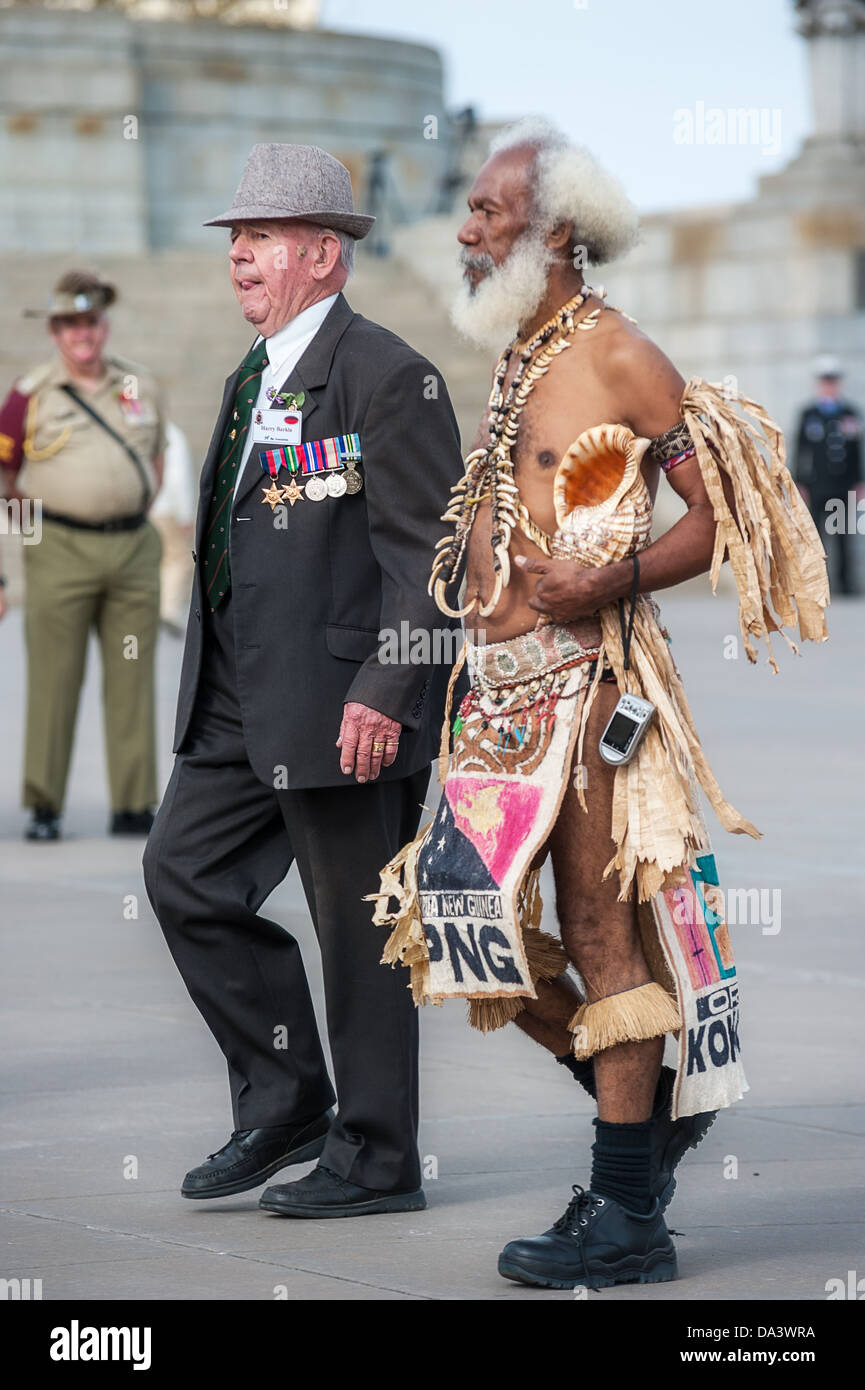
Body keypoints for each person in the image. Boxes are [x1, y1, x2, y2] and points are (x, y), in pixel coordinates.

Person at [370, 119, 828, 1288]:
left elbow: (717, 518)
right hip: (495, 699)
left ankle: (627, 1216)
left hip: (588, 693)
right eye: (472, 211)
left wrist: (606, 578)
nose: (466, 230)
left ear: (556, 230)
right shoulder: (516, 348)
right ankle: (650, 1116)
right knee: (458, 924)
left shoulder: (620, 352)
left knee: (597, 934)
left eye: (487, 211)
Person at [142, 144, 465, 1217]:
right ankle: (286, 1097)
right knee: (184, 876)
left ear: (323, 254)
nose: (239, 255)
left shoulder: (386, 374)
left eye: (261, 238)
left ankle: (377, 1158)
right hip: (236, 693)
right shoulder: (256, 373)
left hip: (344, 703)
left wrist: (388, 687)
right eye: (236, 238)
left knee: (358, 935)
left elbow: (432, 560)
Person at [0, 270, 166, 841]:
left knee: (132, 675)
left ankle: (133, 803)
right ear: (54, 331)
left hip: (132, 548)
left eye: (91, 321)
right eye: (70, 324)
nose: (82, 333)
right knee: (55, 677)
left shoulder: (139, 385)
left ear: (104, 325)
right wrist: (29, 537)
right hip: (59, 547)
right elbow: (4, 474)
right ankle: (44, 803)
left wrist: (130, 504)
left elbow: (155, 458)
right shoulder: (29, 393)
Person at [794, 356, 862, 595]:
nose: (829, 386)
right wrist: (799, 483)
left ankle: (845, 584)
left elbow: (856, 450)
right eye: (825, 381)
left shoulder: (849, 413)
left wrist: (859, 481)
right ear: (819, 383)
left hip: (842, 486)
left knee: (843, 535)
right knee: (815, 537)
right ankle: (815, 584)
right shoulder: (809, 414)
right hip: (816, 485)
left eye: (833, 381)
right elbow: (800, 451)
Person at [149, 420, 197, 634]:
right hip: (166, 509)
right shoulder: (173, 435)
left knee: (155, 558)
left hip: (145, 508)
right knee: (177, 558)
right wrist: (186, 514)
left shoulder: (140, 427)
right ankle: (168, 609)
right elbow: (179, 477)